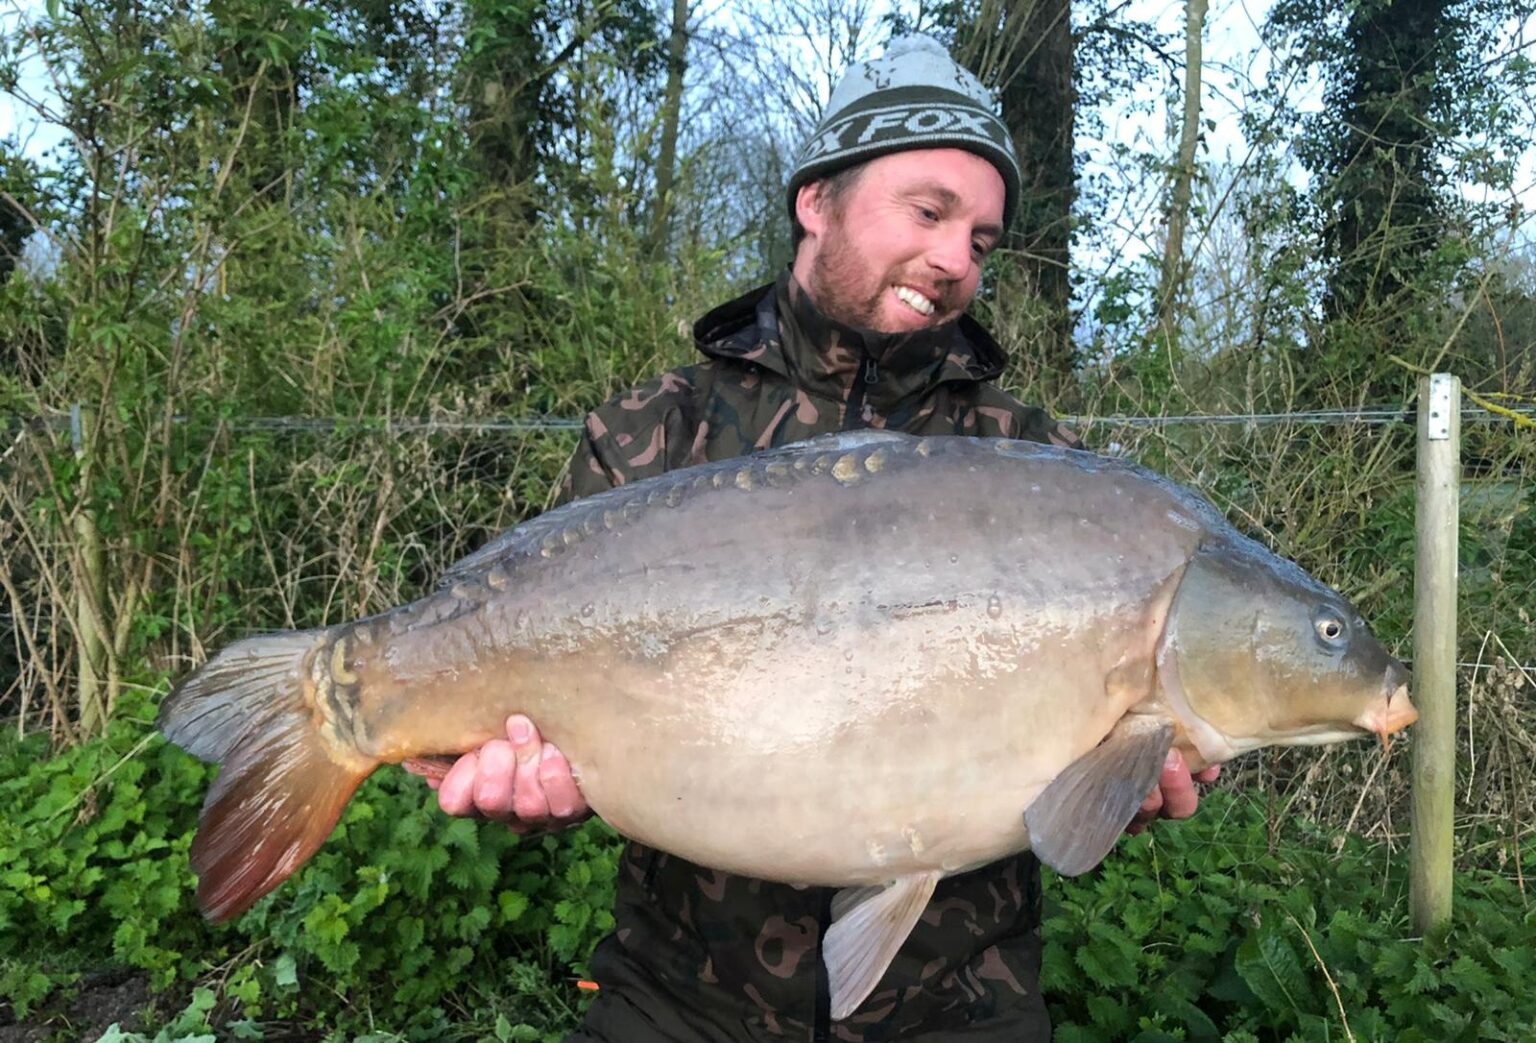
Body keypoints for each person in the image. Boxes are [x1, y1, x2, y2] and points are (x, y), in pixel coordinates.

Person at [408, 34, 1218, 1042]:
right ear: (816, 200)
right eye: (929, 210)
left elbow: (1093, 772)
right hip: (677, 1001)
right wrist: (531, 781)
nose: (957, 257)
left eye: (983, 238)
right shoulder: (654, 435)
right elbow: (550, 719)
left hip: (963, 1007)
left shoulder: (1041, 468)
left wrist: (1124, 778)